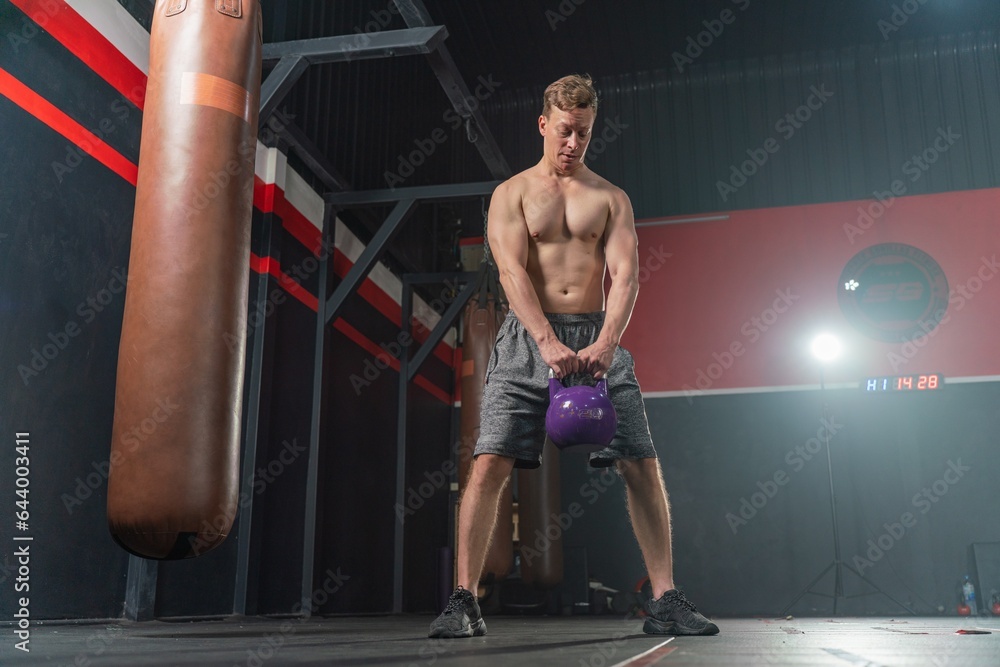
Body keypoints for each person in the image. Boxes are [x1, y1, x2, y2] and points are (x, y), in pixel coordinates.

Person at [429, 74, 719, 638]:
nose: (573, 144)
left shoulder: (611, 198)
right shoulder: (511, 193)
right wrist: (545, 342)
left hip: (596, 337)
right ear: (543, 124)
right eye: (564, 131)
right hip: (526, 337)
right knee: (489, 463)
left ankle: (664, 600)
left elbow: (627, 276)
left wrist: (607, 343)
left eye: (583, 134)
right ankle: (464, 600)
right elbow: (511, 272)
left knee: (641, 463)